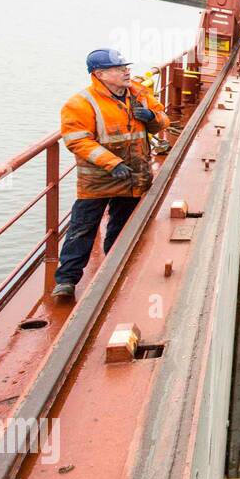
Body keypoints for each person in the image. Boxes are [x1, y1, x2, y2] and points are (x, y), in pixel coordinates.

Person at [51, 49, 170, 300]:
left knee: (122, 227)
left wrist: (151, 117)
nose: (126, 71)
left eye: (126, 67)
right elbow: (77, 140)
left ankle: (112, 270)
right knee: (82, 228)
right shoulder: (81, 104)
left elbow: (162, 121)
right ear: (100, 74)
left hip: (134, 176)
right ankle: (66, 281)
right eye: (119, 68)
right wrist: (111, 163)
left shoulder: (139, 93)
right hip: (98, 180)